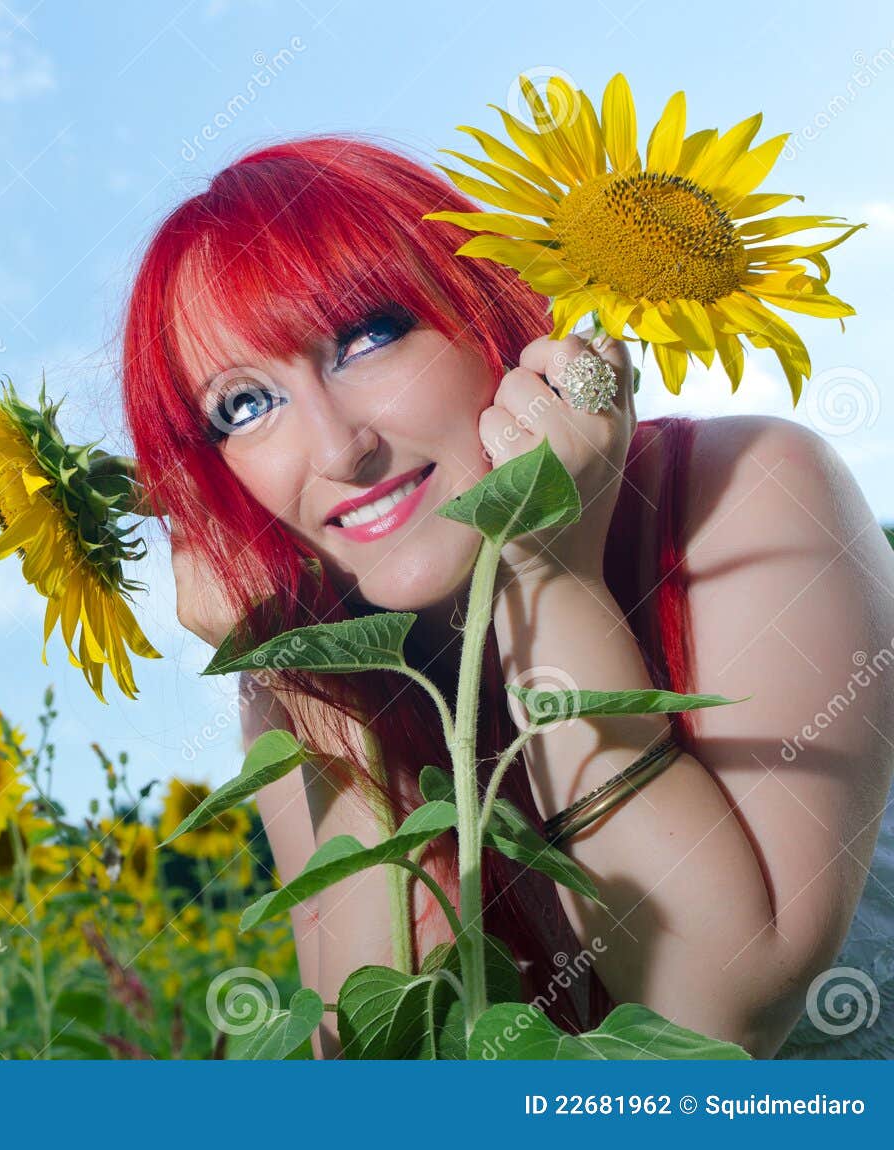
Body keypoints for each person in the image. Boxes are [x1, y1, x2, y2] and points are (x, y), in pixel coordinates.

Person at [119, 135, 894, 1058]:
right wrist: (317, 679)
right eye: (245, 406)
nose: (338, 450)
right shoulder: (300, 672)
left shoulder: (747, 488)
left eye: (367, 337)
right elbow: (384, 1073)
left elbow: (712, 1024)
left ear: (483, 302)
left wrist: (549, 569)